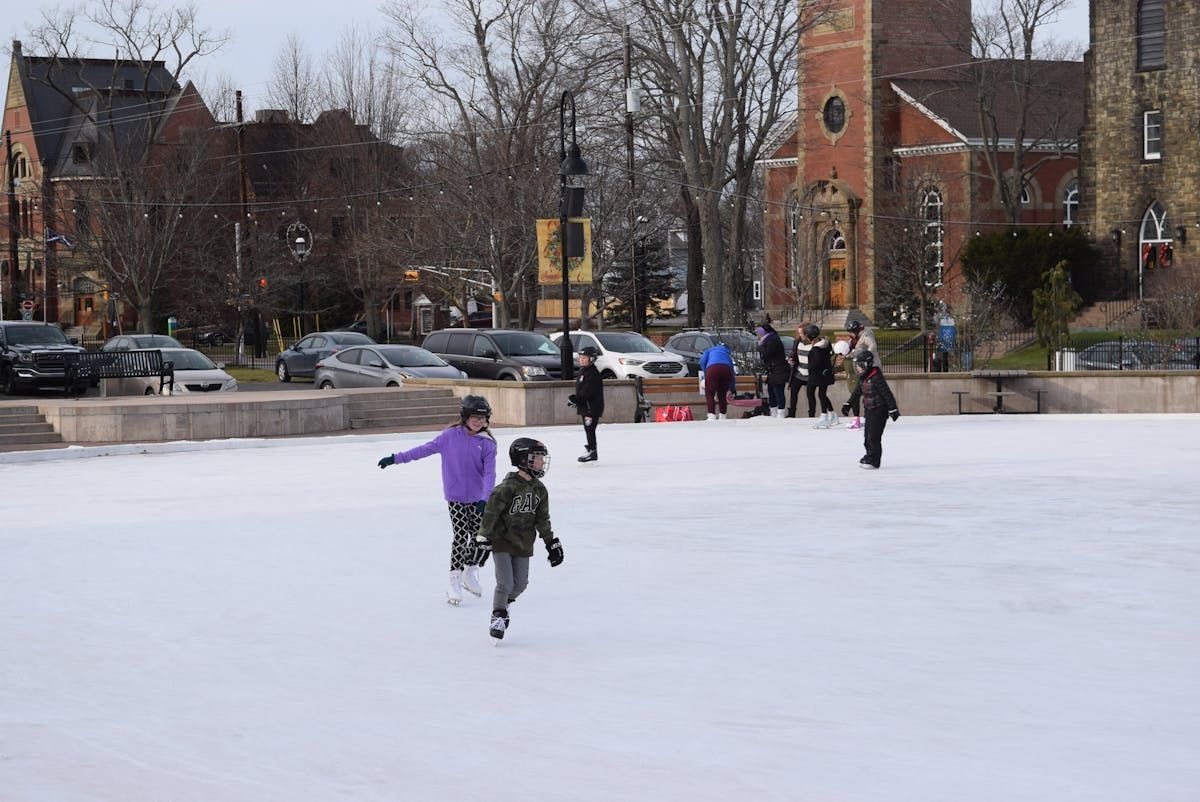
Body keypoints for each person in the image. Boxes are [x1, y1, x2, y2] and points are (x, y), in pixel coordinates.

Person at [378, 394, 497, 605]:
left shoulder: (487, 443)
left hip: (478, 499)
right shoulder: (449, 437)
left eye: (482, 418)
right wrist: (396, 458)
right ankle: (454, 580)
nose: (478, 421)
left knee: (481, 539)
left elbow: (490, 474)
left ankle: (470, 571)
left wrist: (485, 498)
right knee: (461, 536)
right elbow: (423, 450)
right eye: (474, 417)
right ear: (465, 416)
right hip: (456, 497)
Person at [476, 437, 563, 641]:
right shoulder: (506, 488)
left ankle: (505, 604)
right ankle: (498, 616)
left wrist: (551, 542)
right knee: (505, 582)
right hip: (502, 540)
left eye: (542, 458)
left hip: (524, 543)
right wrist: (482, 538)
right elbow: (490, 514)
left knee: (520, 584)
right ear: (524, 460)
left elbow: (542, 520)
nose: (542, 462)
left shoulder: (540, 490)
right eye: (538, 458)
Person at [841, 350, 900, 469]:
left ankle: (874, 460)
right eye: (857, 366)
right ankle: (869, 455)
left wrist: (893, 409)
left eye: (860, 366)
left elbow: (887, 393)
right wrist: (848, 404)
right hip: (869, 409)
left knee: (874, 436)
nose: (858, 368)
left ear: (867, 365)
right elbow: (857, 392)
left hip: (879, 411)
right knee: (867, 436)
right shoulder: (863, 377)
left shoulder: (876, 377)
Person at [570, 345, 604, 462]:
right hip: (586, 406)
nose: (582, 359)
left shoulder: (593, 374)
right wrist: (576, 400)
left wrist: (577, 399)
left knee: (590, 429)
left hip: (591, 407)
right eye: (581, 357)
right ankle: (590, 449)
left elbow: (589, 391)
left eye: (585, 357)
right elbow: (582, 390)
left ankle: (592, 451)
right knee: (588, 429)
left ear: (592, 359)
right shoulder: (584, 371)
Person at [804, 323, 837, 428]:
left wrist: (808, 367)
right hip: (823, 374)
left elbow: (815, 363)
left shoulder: (817, 349)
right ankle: (832, 414)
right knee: (820, 394)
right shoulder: (825, 345)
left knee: (820, 394)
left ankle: (824, 416)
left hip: (819, 375)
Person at [755, 324, 790, 418]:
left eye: (759, 332)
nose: (757, 334)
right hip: (772, 370)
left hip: (778, 369)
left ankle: (780, 413)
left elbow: (767, 352)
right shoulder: (767, 340)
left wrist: (759, 347)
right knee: (771, 391)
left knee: (778, 391)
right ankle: (773, 411)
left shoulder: (772, 339)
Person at [699, 340, 736, 420]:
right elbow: (732, 373)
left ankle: (711, 415)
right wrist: (732, 389)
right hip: (726, 369)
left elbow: (702, 361)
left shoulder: (710, 350)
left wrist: (706, 372)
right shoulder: (727, 354)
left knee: (709, 392)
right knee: (722, 393)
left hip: (712, 369)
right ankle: (723, 415)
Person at [833, 339, 861, 429]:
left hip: (856, 384)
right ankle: (857, 420)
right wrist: (833, 370)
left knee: (855, 402)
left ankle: (857, 421)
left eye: (840, 354)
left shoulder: (852, 359)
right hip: (852, 383)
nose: (839, 356)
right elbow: (843, 367)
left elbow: (857, 371)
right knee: (855, 402)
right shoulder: (848, 358)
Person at [787, 324, 812, 418]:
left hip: (810, 373)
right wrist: (791, 359)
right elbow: (794, 353)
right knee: (793, 392)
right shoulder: (797, 341)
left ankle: (811, 414)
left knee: (810, 394)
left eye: (801, 333)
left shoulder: (813, 343)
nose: (800, 335)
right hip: (799, 372)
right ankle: (791, 413)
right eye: (799, 332)